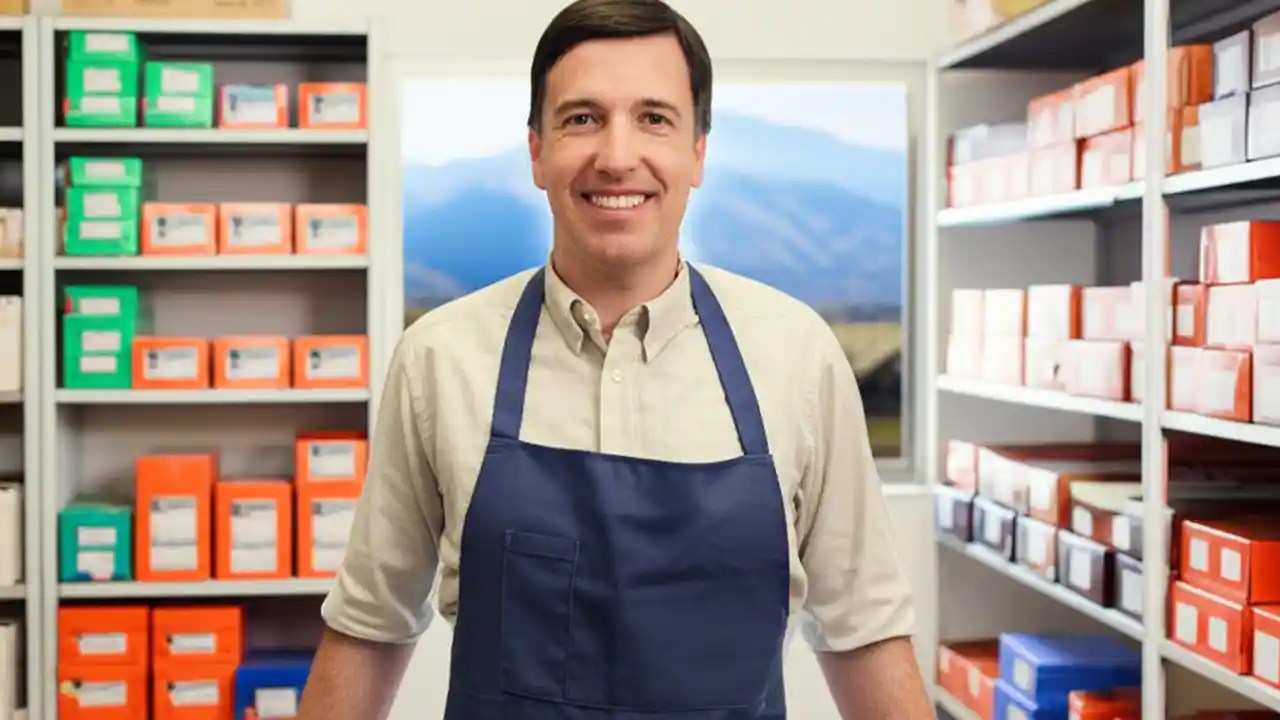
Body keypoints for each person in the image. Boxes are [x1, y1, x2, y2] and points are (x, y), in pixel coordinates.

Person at [296, 0, 931, 718]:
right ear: (536, 151)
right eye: (582, 118)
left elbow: (866, 631)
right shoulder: (440, 359)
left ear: (698, 152)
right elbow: (369, 627)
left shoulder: (796, 355)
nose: (617, 155)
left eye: (654, 118)